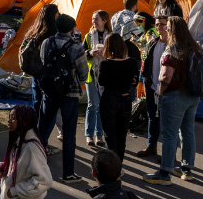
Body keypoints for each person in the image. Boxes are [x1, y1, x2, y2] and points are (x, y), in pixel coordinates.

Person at [144, 16, 203, 184]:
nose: (164, 29)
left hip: (174, 96)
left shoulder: (172, 50)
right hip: (192, 95)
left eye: (167, 27)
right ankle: (186, 169)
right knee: (187, 132)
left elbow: (166, 75)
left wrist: (160, 91)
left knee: (169, 135)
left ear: (172, 30)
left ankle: (164, 173)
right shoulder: (193, 48)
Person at [37, 13, 88, 182]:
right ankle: (68, 173)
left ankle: (36, 166)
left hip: (49, 91)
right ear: (72, 28)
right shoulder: (76, 47)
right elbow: (83, 73)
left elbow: (43, 62)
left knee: (42, 129)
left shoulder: (47, 42)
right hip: (69, 93)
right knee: (69, 133)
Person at [97, 33, 140, 159]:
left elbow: (101, 82)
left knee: (110, 136)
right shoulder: (131, 62)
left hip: (109, 98)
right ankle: (118, 164)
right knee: (122, 136)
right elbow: (134, 82)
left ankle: (111, 163)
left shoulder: (105, 63)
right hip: (125, 97)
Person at [18, 4, 59, 129]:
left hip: (35, 72)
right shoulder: (54, 34)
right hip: (48, 75)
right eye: (57, 13)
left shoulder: (34, 32)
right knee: (49, 107)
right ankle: (42, 135)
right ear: (54, 15)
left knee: (37, 102)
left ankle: (34, 129)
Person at [135, 13, 167, 159]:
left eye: (162, 24)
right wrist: (146, 78)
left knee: (166, 121)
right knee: (152, 117)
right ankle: (151, 146)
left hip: (167, 90)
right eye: (157, 24)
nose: (159, 27)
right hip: (152, 87)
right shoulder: (153, 42)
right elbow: (146, 61)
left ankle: (168, 153)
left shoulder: (173, 44)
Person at [82, 11, 110, 147]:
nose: (94, 21)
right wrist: (90, 52)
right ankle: (89, 135)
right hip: (92, 74)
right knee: (93, 104)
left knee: (102, 105)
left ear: (104, 21)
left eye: (96, 19)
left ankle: (99, 135)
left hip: (105, 74)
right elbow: (82, 52)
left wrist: (106, 53)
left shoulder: (110, 36)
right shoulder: (88, 36)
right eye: (93, 19)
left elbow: (116, 53)